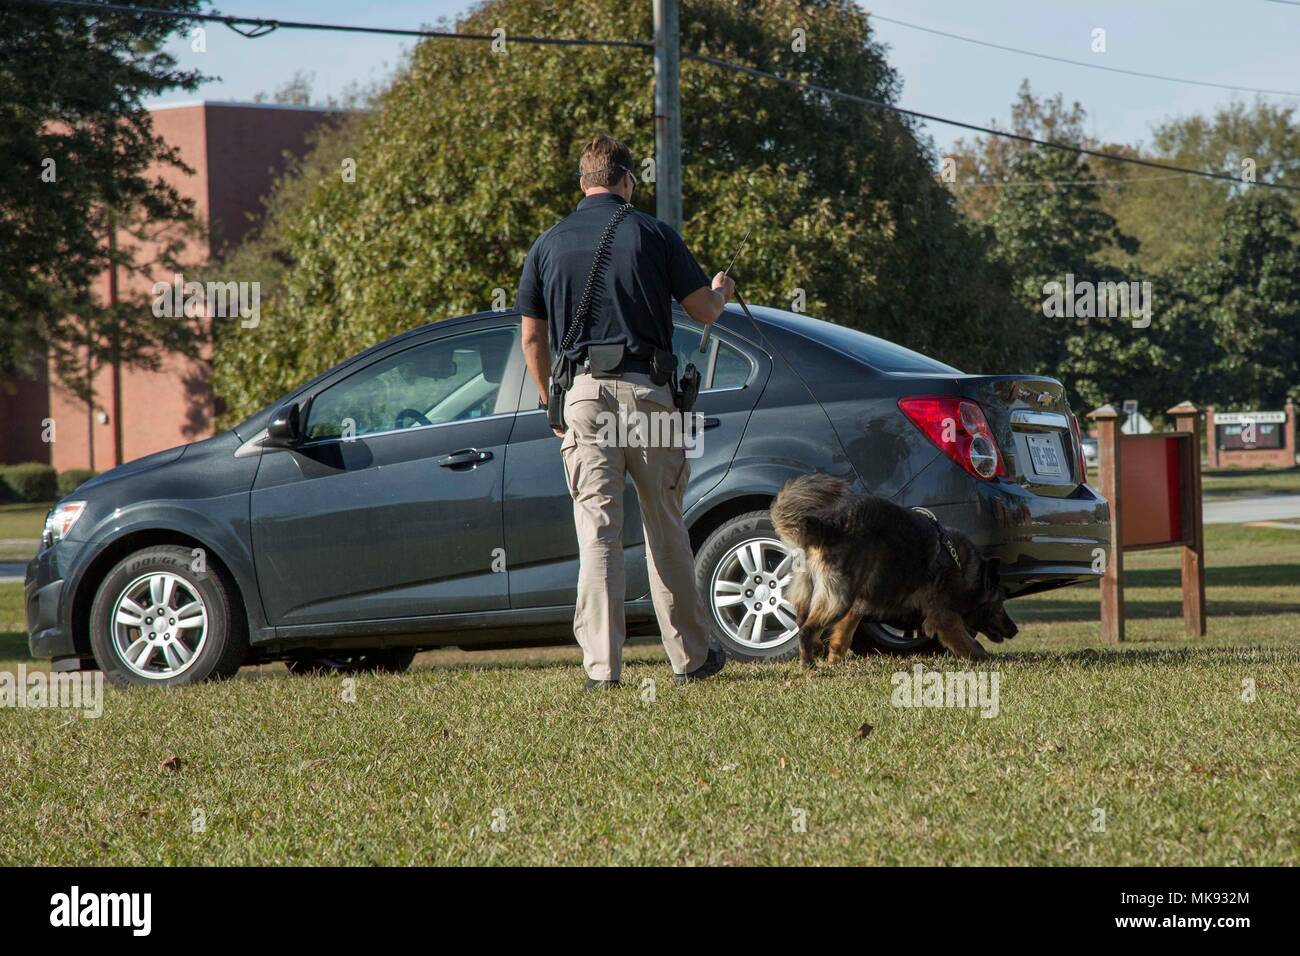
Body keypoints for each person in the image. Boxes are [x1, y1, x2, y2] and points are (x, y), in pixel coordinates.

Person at [516, 133, 735, 691]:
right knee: (666, 527)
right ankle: (691, 658)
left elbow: (533, 339)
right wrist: (721, 289)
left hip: (583, 396)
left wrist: (552, 403)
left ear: (582, 183)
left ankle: (602, 669)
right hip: (649, 394)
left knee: (598, 533)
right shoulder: (654, 234)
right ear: (626, 180)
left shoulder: (547, 244)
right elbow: (704, 312)